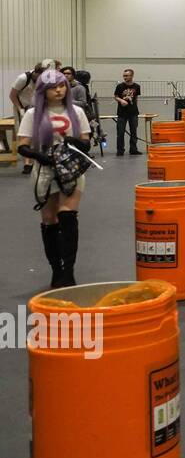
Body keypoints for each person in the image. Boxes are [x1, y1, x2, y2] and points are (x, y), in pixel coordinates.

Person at [17, 69, 91, 288]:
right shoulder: (32, 115)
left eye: (61, 86)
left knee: (68, 218)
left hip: (71, 171)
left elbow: (86, 142)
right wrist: (40, 156)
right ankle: (56, 270)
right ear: (43, 91)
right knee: (49, 221)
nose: (58, 90)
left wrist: (73, 142)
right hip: (45, 172)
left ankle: (68, 271)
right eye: (52, 87)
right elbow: (22, 145)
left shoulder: (77, 111)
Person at [11, 60, 54, 175]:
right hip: (22, 108)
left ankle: (36, 158)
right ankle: (27, 163)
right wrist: (20, 109)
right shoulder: (23, 79)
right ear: (36, 72)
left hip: (37, 108)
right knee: (25, 135)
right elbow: (12, 95)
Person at [113, 68, 143, 156]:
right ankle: (120, 150)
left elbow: (136, 98)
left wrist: (136, 108)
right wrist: (121, 101)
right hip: (122, 113)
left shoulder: (137, 86)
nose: (125, 77)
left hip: (133, 113)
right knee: (120, 132)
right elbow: (115, 96)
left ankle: (133, 149)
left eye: (127, 76)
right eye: (124, 76)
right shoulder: (120, 86)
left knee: (134, 132)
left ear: (132, 76)